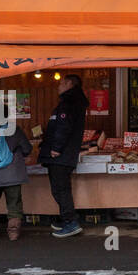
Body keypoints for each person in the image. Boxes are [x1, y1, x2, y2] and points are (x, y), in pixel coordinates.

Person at [39, 74, 89, 238]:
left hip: (60, 155)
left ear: (69, 84)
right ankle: (67, 219)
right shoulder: (74, 102)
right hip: (64, 154)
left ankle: (70, 221)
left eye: (61, 83)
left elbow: (63, 127)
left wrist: (56, 148)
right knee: (60, 189)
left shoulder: (69, 103)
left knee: (61, 189)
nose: (58, 87)